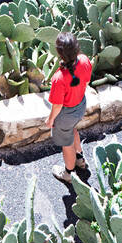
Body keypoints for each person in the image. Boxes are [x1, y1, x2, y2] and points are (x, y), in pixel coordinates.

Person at [47, 32, 92, 186]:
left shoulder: (59, 79)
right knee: (72, 131)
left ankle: (68, 173)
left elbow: (58, 105)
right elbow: (86, 80)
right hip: (80, 106)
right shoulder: (85, 61)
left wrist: (51, 119)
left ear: (60, 53)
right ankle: (80, 159)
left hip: (65, 114)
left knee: (66, 144)